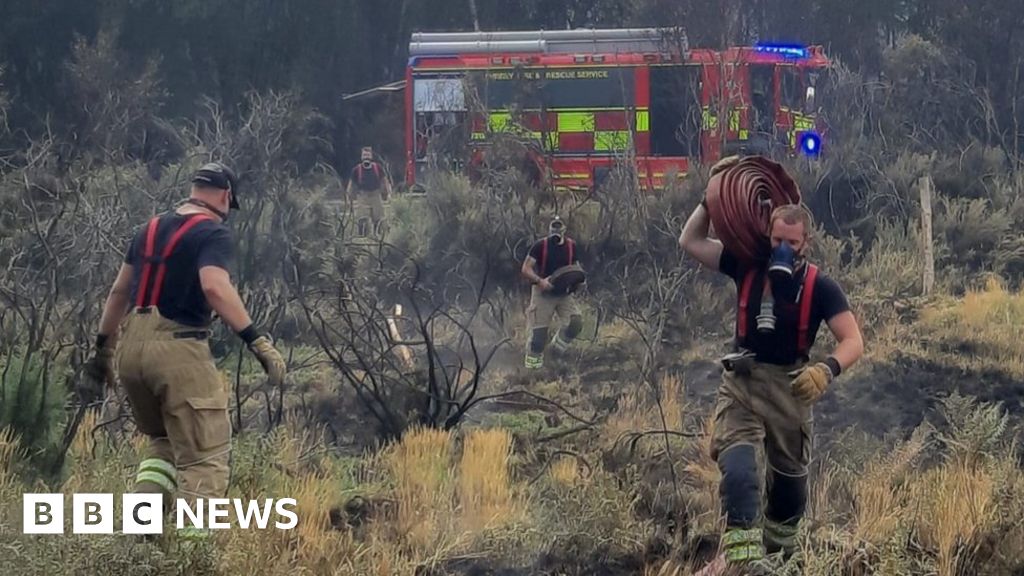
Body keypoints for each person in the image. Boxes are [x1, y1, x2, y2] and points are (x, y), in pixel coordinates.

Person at [84, 162, 287, 540]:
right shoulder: (213, 232)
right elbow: (214, 286)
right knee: (205, 461)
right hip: (179, 351)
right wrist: (256, 340)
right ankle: (193, 559)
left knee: (162, 445)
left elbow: (117, 293)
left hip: (131, 351)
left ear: (193, 189)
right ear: (226, 196)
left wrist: (102, 351)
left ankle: (137, 542)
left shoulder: (148, 230)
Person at [679, 197, 864, 573]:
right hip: (742, 384)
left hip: (792, 389)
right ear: (768, 235)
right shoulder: (746, 265)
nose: (783, 248)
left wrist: (825, 370)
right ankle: (743, 563)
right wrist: (709, 201)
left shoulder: (820, 287)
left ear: (805, 244)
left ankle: (780, 559)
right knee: (740, 473)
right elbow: (691, 241)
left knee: (789, 490)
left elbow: (853, 341)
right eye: (777, 239)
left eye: (791, 243)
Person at [520, 216, 585, 369]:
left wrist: (579, 280)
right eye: (553, 229)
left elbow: (575, 266)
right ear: (549, 230)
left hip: (564, 293)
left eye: (559, 228)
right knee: (538, 338)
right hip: (543, 292)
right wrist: (540, 281)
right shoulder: (540, 246)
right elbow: (526, 268)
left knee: (575, 323)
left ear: (564, 230)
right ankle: (532, 370)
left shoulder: (571, 246)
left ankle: (556, 352)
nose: (556, 233)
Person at [346, 146, 392, 236]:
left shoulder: (377, 168)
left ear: (371, 156)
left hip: (375, 195)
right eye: (364, 155)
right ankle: (362, 239)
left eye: (368, 155)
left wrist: (389, 193)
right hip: (363, 196)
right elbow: (351, 186)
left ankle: (379, 238)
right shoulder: (356, 170)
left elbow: (385, 181)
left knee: (379, 219)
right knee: (362, 219)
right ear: (361, 157)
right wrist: (349, 199)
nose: (366, 157)